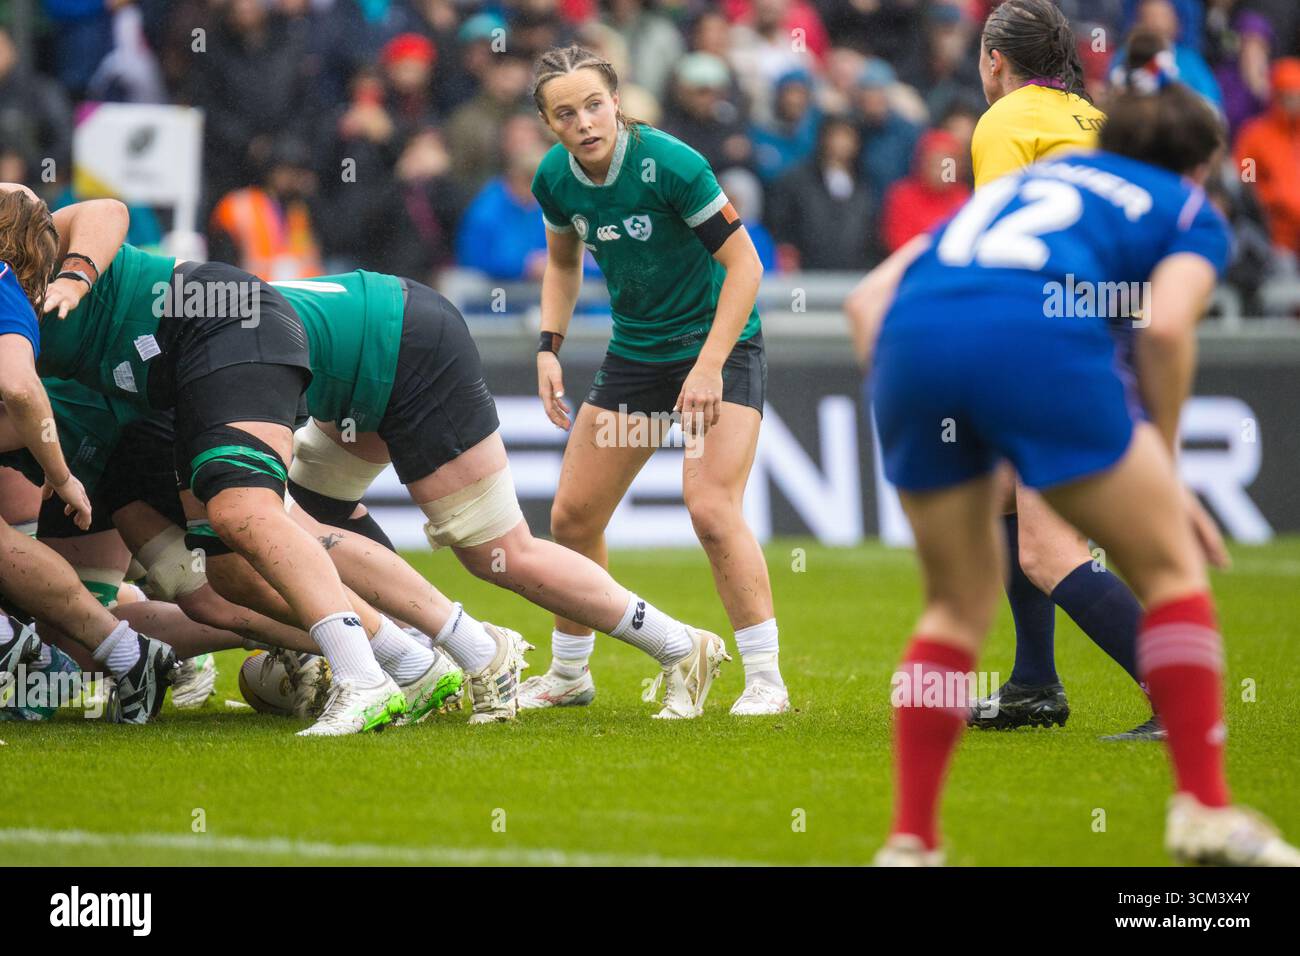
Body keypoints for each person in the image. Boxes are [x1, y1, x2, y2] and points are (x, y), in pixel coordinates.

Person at [846, 79, 1300, 867]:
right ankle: (1203, 808)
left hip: (915, 345)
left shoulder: (1020, 184)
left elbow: (865, 301)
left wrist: (926, 400)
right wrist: (1163, 457)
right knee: (1170, 570)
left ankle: (911, 841)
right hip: (1041, 341)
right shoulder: (1189, 209)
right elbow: (1161, 329)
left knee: (952, 609)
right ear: (1203, 162)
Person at [0, 191, 457, 737]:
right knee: (224, 580)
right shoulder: (20, 285)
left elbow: (107, 211)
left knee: (252, 516)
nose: (29, 190)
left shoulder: (39, 265)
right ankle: (414, 660)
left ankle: (393, 664)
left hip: (217, 329)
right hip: (164, 390)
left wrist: (75, 276)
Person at [269, 268, 728, 720]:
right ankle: (412, 659)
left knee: (500, 553)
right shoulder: (219, 311)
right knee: (311, 512)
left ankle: (682, 645)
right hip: (372, 343)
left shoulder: (221, 333)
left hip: (408, 347)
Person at [525, 44, 789, 716]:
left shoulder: (671, 163)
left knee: (708, 506)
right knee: (573, 516)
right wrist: (548, 348)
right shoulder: (554, 178)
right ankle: (569, 675)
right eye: (565, 113)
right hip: (637, 361)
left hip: (721, 350)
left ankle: (765, 680)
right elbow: (562, 265)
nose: (583, 121)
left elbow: (747, 268)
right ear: (548, 123)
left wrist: (706, 366)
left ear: (616, 101)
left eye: (593, 104)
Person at [966, 0, 1174, 740]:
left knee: (1049, 550)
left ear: (996, 59)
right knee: (1003, 498)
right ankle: (1034, 684)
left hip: (1048, 340)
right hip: (1112, 332)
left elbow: (997, 246)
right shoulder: (1090, 119)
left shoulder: (1005, 121)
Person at [0, 186, 176, 723]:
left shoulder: (10, 282)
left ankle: (379, 639)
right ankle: (106, 654)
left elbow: (22, 390)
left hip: (121, 423)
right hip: (93, 427)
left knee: (208, 585)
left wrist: (59, 474)